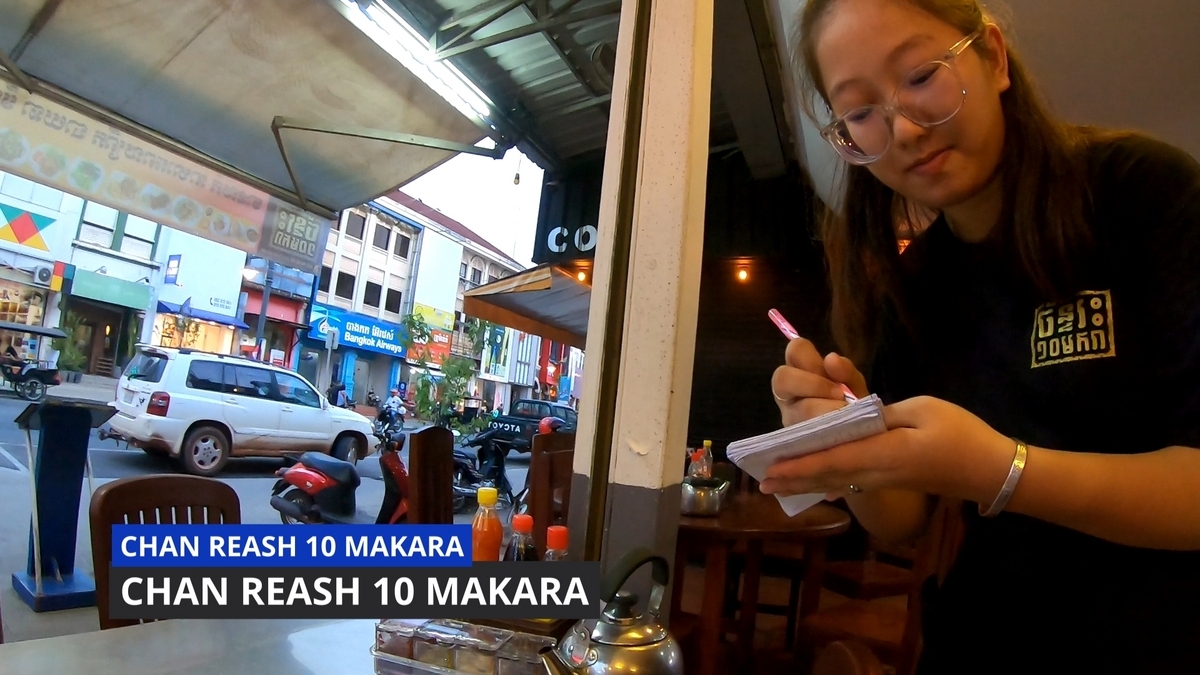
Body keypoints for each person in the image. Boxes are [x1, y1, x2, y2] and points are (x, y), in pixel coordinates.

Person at [766, 1, 1200, 672]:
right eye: (859, 113)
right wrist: (846, 444)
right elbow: (902, 518)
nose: (903, 129)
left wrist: (1001, 469)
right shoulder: (916, 284)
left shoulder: (1140, 192)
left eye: (919, 75)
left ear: (993, 56)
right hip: (982, 637)